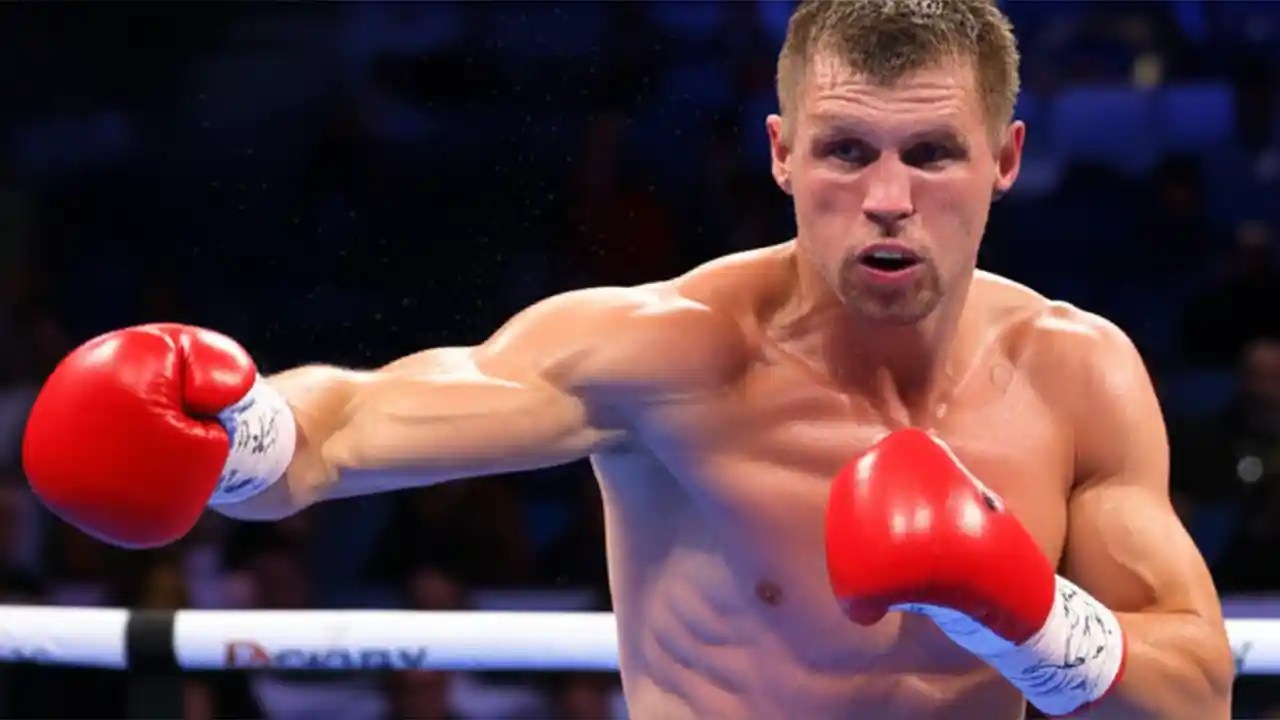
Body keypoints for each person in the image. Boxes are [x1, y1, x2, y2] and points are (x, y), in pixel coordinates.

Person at [21, 1, 1233, 717]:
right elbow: (346, 432)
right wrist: (241, 436)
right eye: (843, 150)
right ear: (778, 153)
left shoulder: (1077, 374)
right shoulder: (669, 353)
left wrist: (1031, 620)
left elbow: (1196, 692)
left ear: (1005, 159)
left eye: (929, 153)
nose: (884, 198)